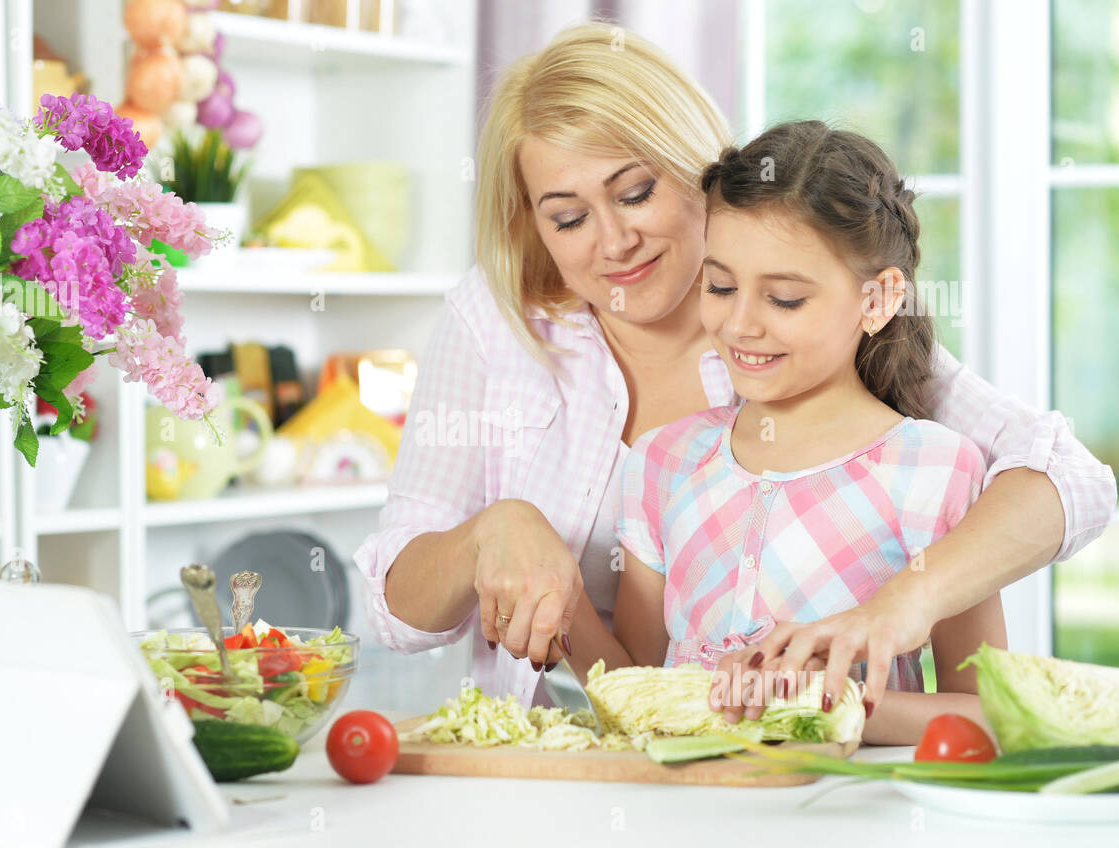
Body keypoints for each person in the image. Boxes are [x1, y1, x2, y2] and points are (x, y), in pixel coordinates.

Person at [352, 22, 1117, 712]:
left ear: (695, 167)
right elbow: (396, 609)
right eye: (569, 216)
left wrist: (900, 605)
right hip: (567, 764)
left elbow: (1073, 479)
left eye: (637, 191)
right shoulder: (495, 322)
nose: (613, 241)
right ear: (533, 221)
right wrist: (495, 532)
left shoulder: (824, 336)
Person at [597, 120, 1006, 745]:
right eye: (721, 286)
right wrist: (560, 601)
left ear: (877, 300)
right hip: (678, 821)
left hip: (849, 824)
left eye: (784, 299)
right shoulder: (664, 460)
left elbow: (989, 718)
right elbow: (633, 686)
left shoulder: (933, 469)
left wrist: (825, 704)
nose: (739, 325)